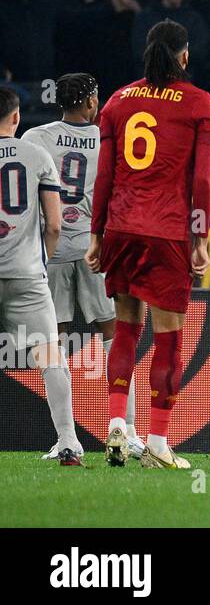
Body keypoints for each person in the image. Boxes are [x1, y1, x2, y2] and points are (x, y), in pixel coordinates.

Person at [87, 20, 210, 470]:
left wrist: (96, 233)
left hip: (122, 228)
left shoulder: (118, 101)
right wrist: (199, 236)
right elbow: (201, 180)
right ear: (184, 56)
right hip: (166, 232)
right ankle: (159, 443)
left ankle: (116, 424)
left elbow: (103, 176)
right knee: (168, 339)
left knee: (125, 329)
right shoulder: (199, 103)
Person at [24, 74, 144, 460]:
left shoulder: (35, 138)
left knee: (51, 343)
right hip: (99, 250)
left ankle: (66, 440)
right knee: (116, 335)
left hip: (50, 250)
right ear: (92, 101)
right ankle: (129, 432)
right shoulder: (111, 138)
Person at [0, 87, 81, 465]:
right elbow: (54, 224)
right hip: (28, 275)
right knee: (50, 356)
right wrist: (41, 262)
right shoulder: (36, 155)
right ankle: (68, 442)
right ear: (15, 117)